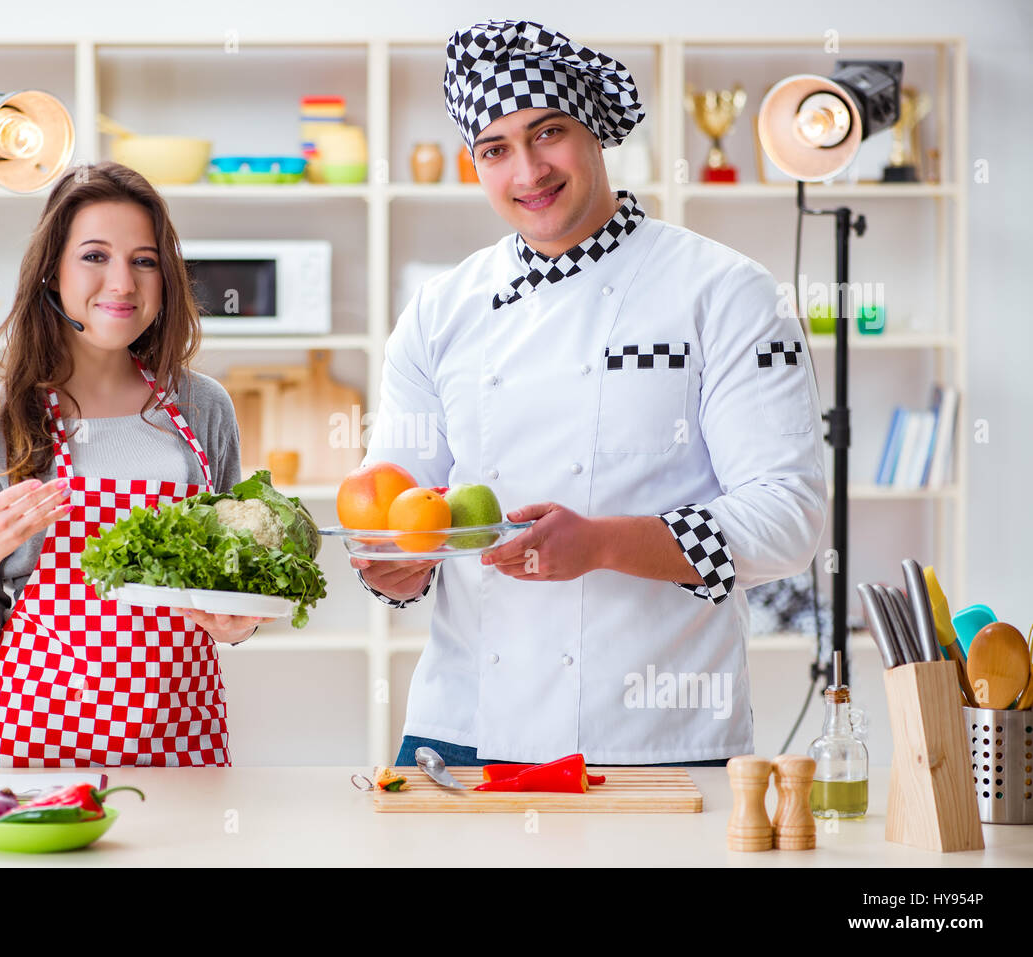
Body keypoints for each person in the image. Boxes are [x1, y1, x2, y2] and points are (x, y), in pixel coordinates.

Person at [353, 20, 827, 768]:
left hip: (649, 733)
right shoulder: (440, 309)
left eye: (549, 133)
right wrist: (396, 571)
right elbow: (397, 505)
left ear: (596, 134)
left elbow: (788, 516)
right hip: (462, 724)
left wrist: (603, 542)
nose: (528, 170)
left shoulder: (726, 292)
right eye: (496, 149)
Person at [0, 161, 272, 767]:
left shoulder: (203, 409)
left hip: (182, 740)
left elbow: (231, 599)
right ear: (51, 273)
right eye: (94, 256)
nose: (122, 282)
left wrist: (237, 622)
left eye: (144, 260)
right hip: (37, 752)